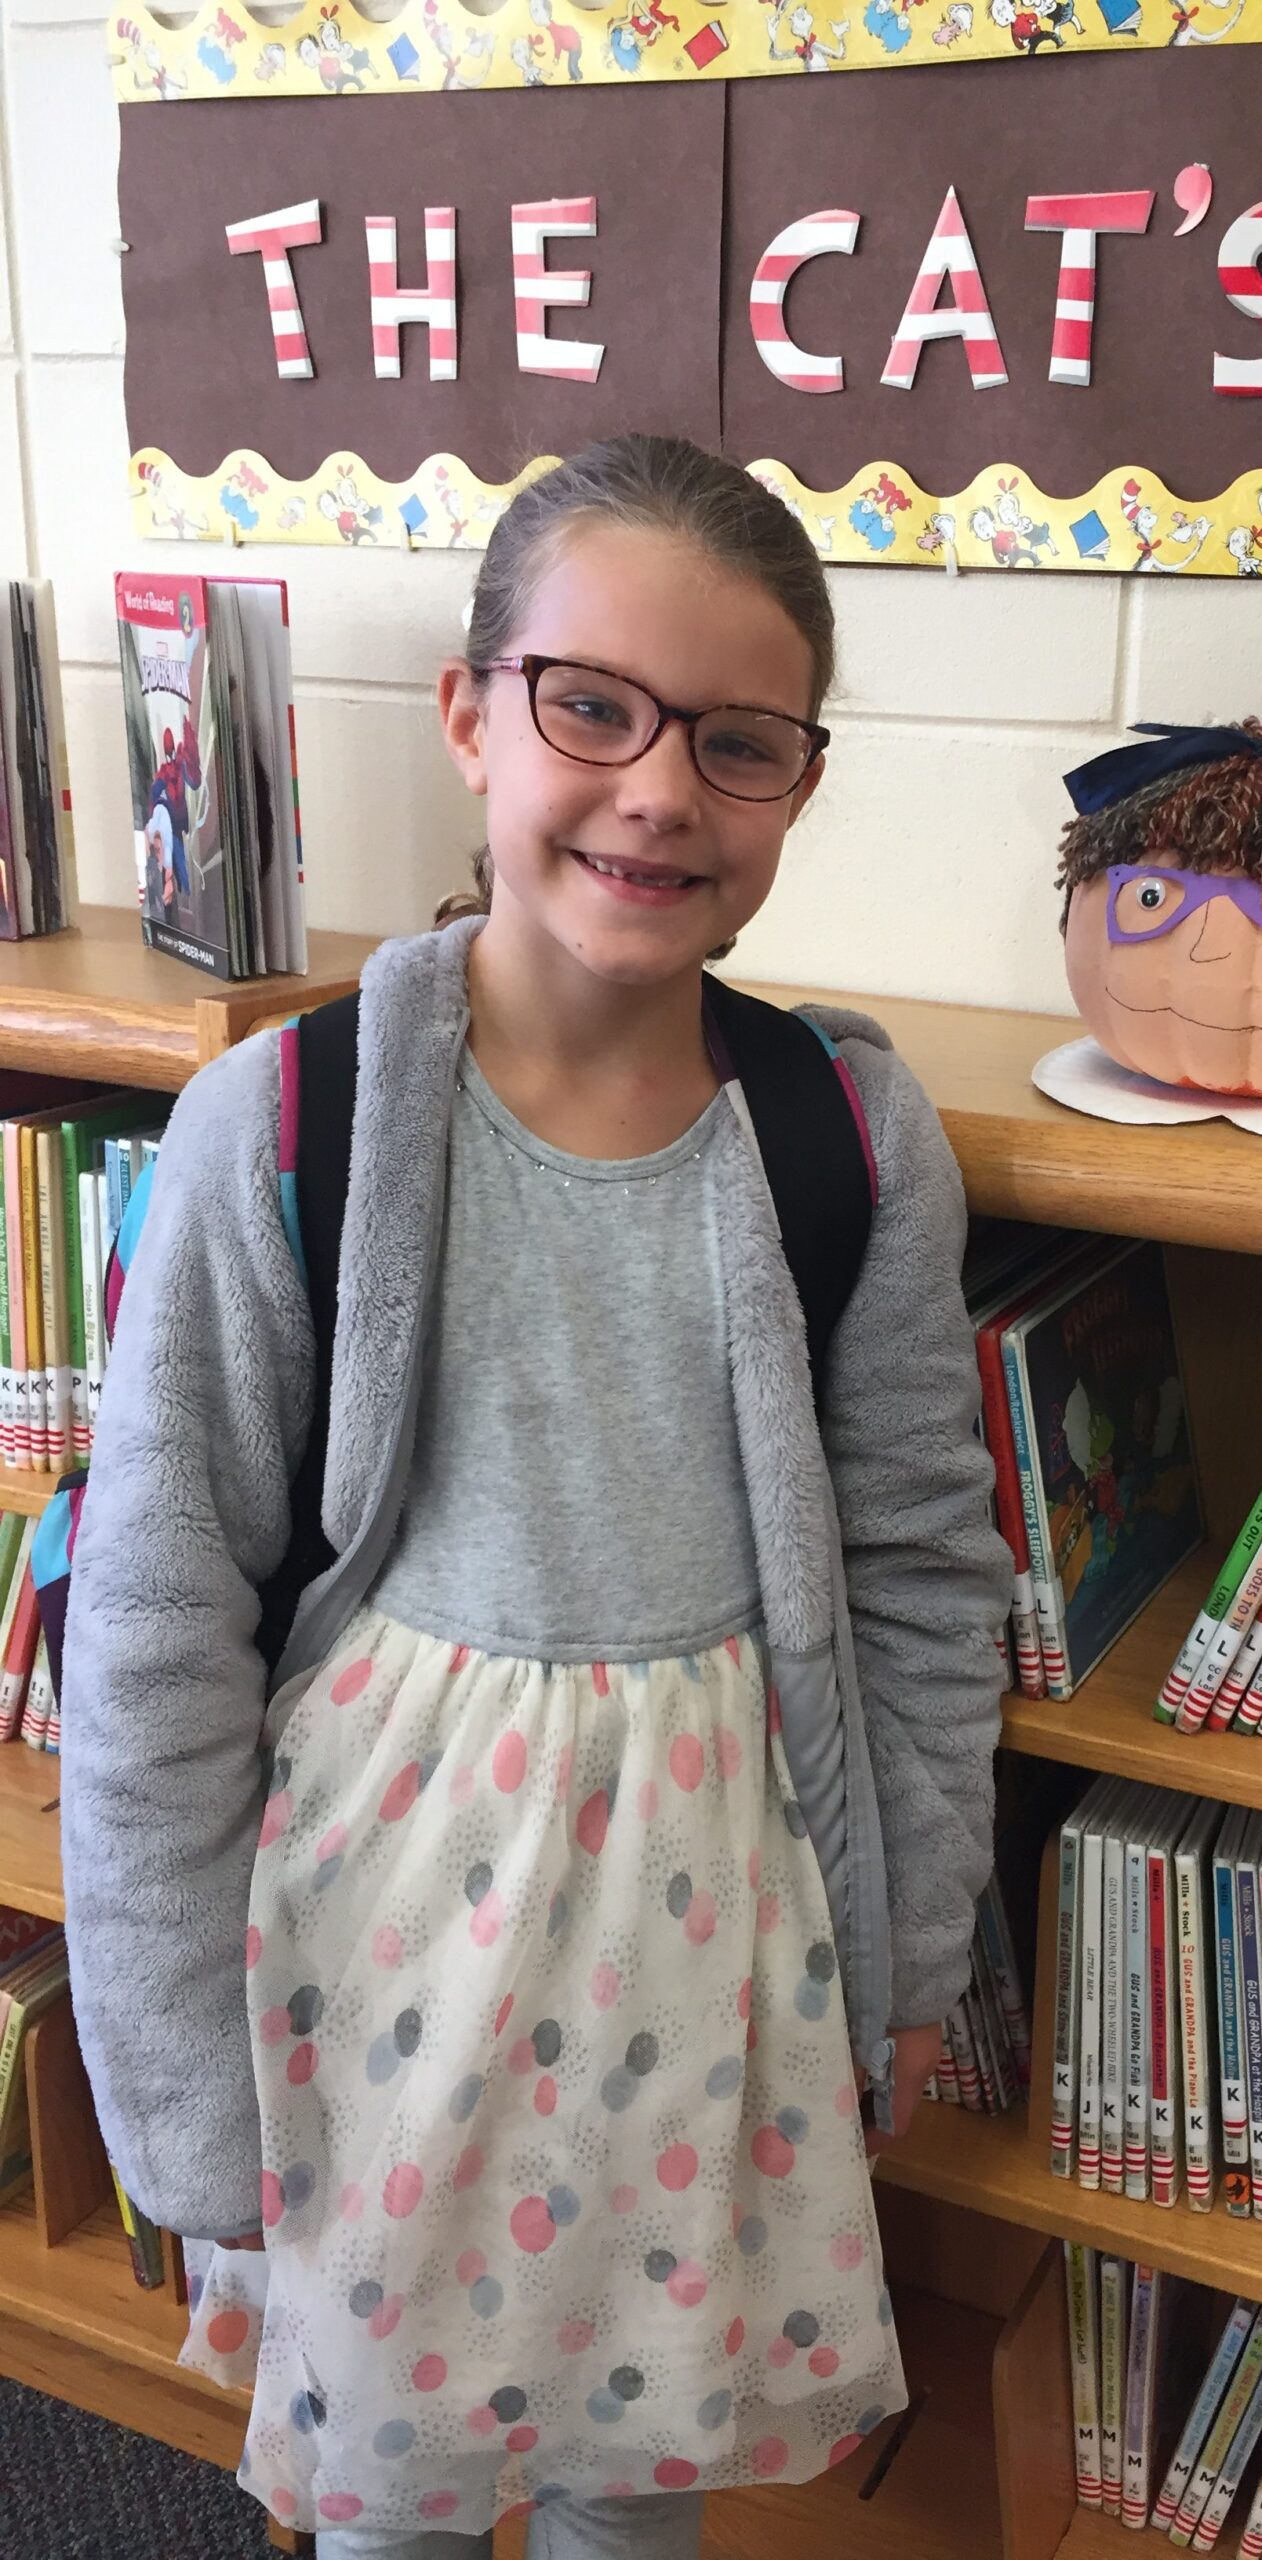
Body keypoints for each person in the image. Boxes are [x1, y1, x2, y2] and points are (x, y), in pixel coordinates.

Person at [59, 434, 1011, 2557]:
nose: (660, 790)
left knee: (629, 2501)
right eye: (594, 705)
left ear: (800, 783)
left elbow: (924, 1577)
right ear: (472, 711)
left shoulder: (850, 1136)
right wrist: (188, 2103)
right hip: (378, 1969)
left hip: (711, 1966)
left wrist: (906, 1958)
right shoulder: (279, 1126)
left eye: (738, 740)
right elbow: (154, 1628)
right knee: (387, 2511)